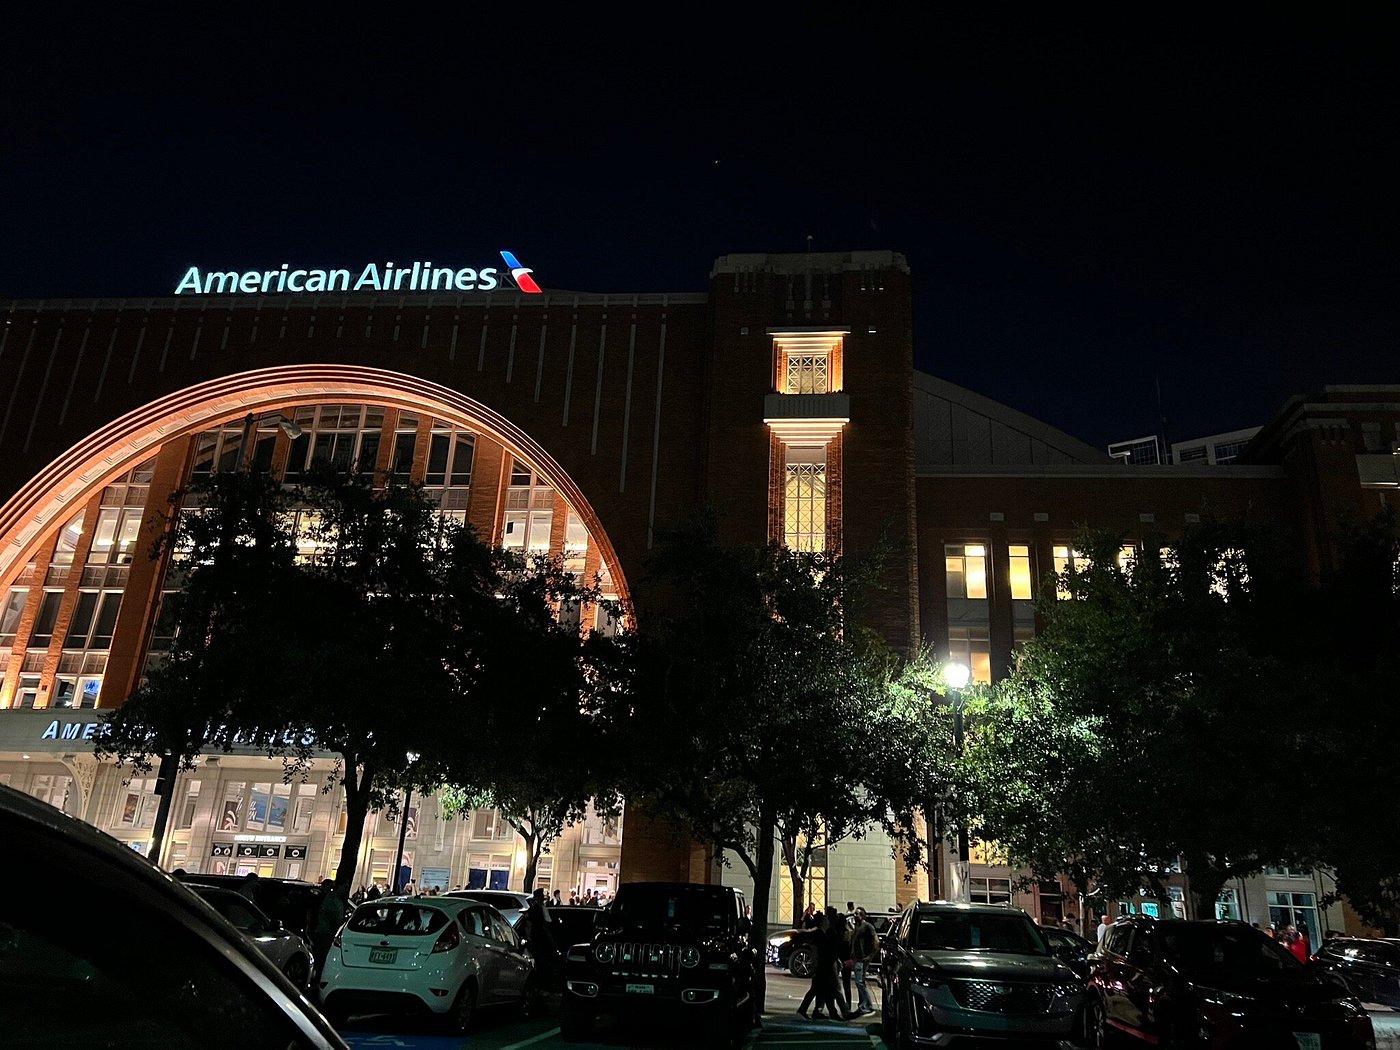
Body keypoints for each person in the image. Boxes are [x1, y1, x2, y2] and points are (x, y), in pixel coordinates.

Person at [522, 888, 558, 989]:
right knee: (540, 963)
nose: (543, 898)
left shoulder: (541, 909)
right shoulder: (535, 910)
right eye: (541, 896)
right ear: (537, 898)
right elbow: (533, 926)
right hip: (538, 940)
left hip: (540, 940)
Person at [311, 879, 347, 977]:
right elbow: (332, 916)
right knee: (322, 956)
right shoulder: (332, 899)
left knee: (322, 956)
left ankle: (318, 976)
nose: (346, 888)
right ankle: (318, 976)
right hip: (326, 931)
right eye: (345, 885)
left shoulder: (334, 898)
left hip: (326, 931)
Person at [850, 907, 879, 1015]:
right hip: (857, 958)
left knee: (859, 982)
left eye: (857, 914)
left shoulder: (867, 926)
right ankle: (862, 1004)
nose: (855, 915)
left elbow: (876, 943)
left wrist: (870, 957)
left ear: (862, 915)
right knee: (860, 982)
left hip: (862, 959)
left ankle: (868, 1005)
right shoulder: (857, 927)